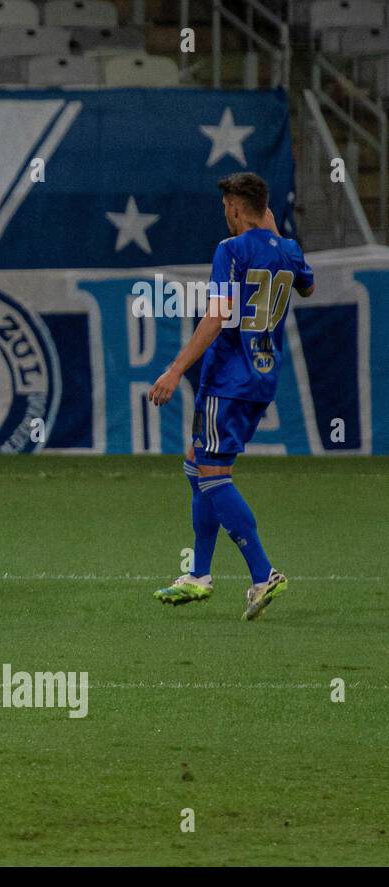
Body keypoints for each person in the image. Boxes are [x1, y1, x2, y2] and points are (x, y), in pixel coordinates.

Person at [150, 172, 314, 620]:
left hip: (228, 378)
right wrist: (275, 233)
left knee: (214, 473)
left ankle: (262, 574)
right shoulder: (292, 252)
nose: (224, 214)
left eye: (226, 207)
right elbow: (308, 286)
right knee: (197, 462)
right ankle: (199, 573)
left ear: (236, 208)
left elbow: (217, 316)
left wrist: (175, 368)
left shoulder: (231, 250)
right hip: (262, 376)